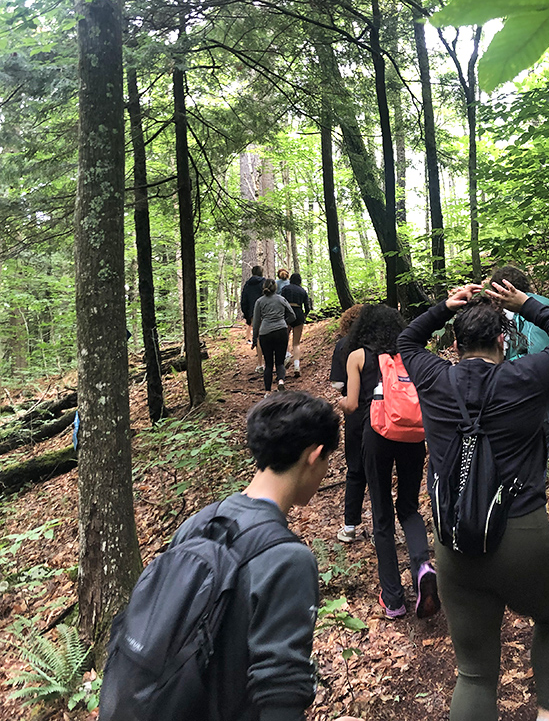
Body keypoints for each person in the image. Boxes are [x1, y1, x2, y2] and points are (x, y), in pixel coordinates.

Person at [398, 281, 549, 721]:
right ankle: (548, 715)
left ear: (454, 344)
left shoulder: (433, 377)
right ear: (504, 340)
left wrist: (445, 306)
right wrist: (525, 303)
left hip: (454, 541)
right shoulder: (526, 375)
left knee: (476, 674)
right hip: (522, 532)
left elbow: (407, 338)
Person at [170, 392, 342, 721]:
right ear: (314, 456)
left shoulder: (197, 524)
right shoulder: (287, 558)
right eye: (328, 460)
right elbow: (280, 698)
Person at [338, 304, 439, 620]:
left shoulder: (357, 356)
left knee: (382, 513)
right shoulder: (413, 353)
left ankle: (393, 599)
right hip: (413, 435)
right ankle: (422, 565)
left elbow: (352, 405)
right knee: (408, 507)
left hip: (377, 435)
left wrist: (339, 401)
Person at [489, 265, 549, 461]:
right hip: (535, 400)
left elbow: (537, 356)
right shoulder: (543, 305)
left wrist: (497, 372)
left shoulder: (528, 309)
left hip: (525, 402)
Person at [329, 304, 366, 543]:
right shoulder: (382, 345)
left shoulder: (343, 346)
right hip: (385, 414)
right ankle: (385, 528)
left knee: (355, 469)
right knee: (379, 471)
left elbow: (336, 385)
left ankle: (350, 525)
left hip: (355, 414)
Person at [252, 279, 296, 396]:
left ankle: (267, 392)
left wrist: (254, 338)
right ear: (275, 288)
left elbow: (256, 322)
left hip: (265, 333)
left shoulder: (259, 301)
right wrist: (284, 322)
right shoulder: (281, 299)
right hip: (281, 332)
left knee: (269, 364)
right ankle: (281, 381)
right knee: (280, 362)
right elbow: (292, 315)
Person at [282, 272, 311, 378]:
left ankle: (287, 356)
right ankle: (297, 366)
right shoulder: (302, 291)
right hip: (299, 315)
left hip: (287, 315)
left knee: (285, 339)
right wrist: (304, 315)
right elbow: (307, 307)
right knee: (296, 343)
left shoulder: (285, 289)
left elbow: (281, 302)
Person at [241, 265, 265, 373]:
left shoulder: (247, 285)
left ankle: (260, 364)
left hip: (253, 313)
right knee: (267, 335)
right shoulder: (265, 282)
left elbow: (244, 301)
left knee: (259, 338)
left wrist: (247, 315)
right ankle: (270, 363)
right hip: (266, 311)